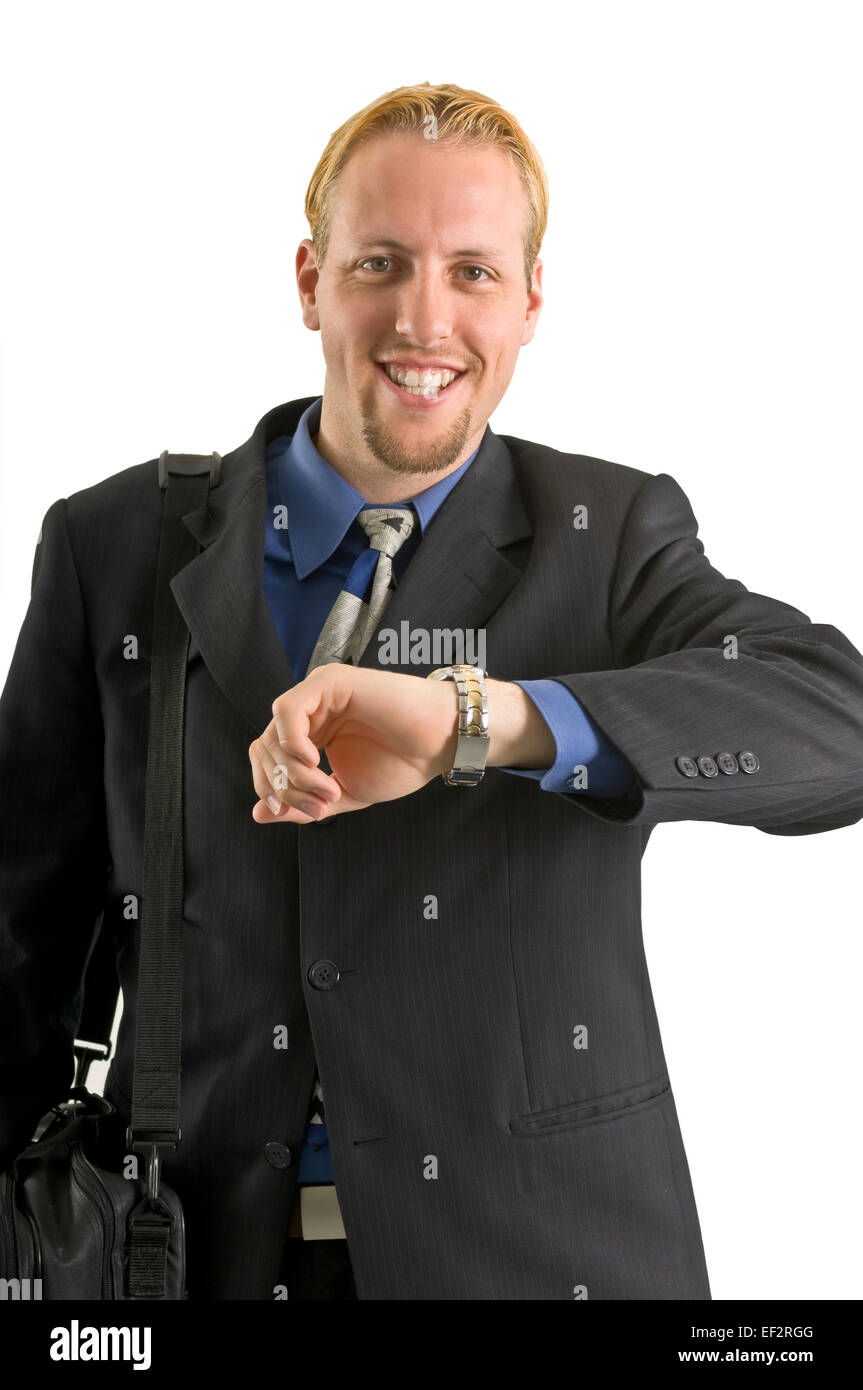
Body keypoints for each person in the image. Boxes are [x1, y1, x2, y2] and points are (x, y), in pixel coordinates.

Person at [2, 81, 862, 1302]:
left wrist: (490, 721)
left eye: (471, 272)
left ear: (529, 302)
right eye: (379, 263)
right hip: (177, 1255)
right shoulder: (112, 546)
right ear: (309, 280)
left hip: (542, 1257)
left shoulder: (606, 534)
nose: (422, 319)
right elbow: (22, 938)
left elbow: (834, 717)